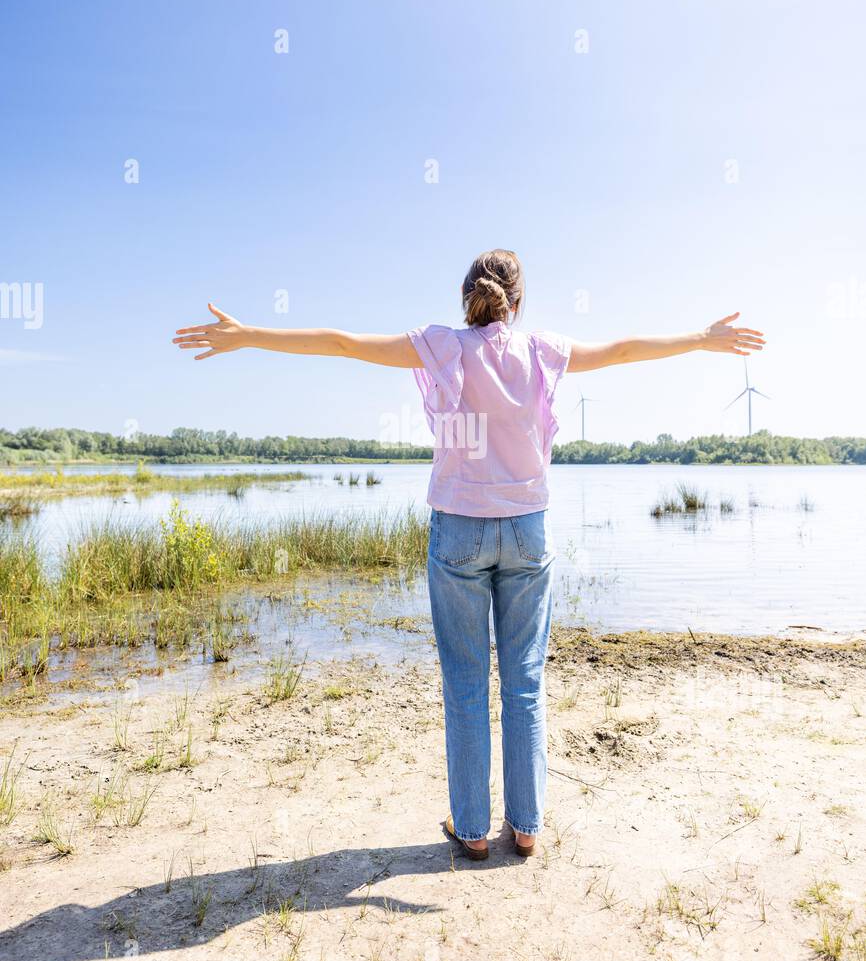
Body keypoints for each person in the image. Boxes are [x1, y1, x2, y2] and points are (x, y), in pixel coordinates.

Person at [172, 249, 764, 861]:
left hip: (459, 528)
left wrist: (248, 336)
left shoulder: (442, 346)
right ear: (518, 300)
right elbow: (621, 351)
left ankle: (474, 832)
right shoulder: (542, 350)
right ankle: (527, 827)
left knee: (464, 682)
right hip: (528, 529)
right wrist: (702, 338)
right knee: (525, 682)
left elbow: (343, 344)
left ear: (469, 299)